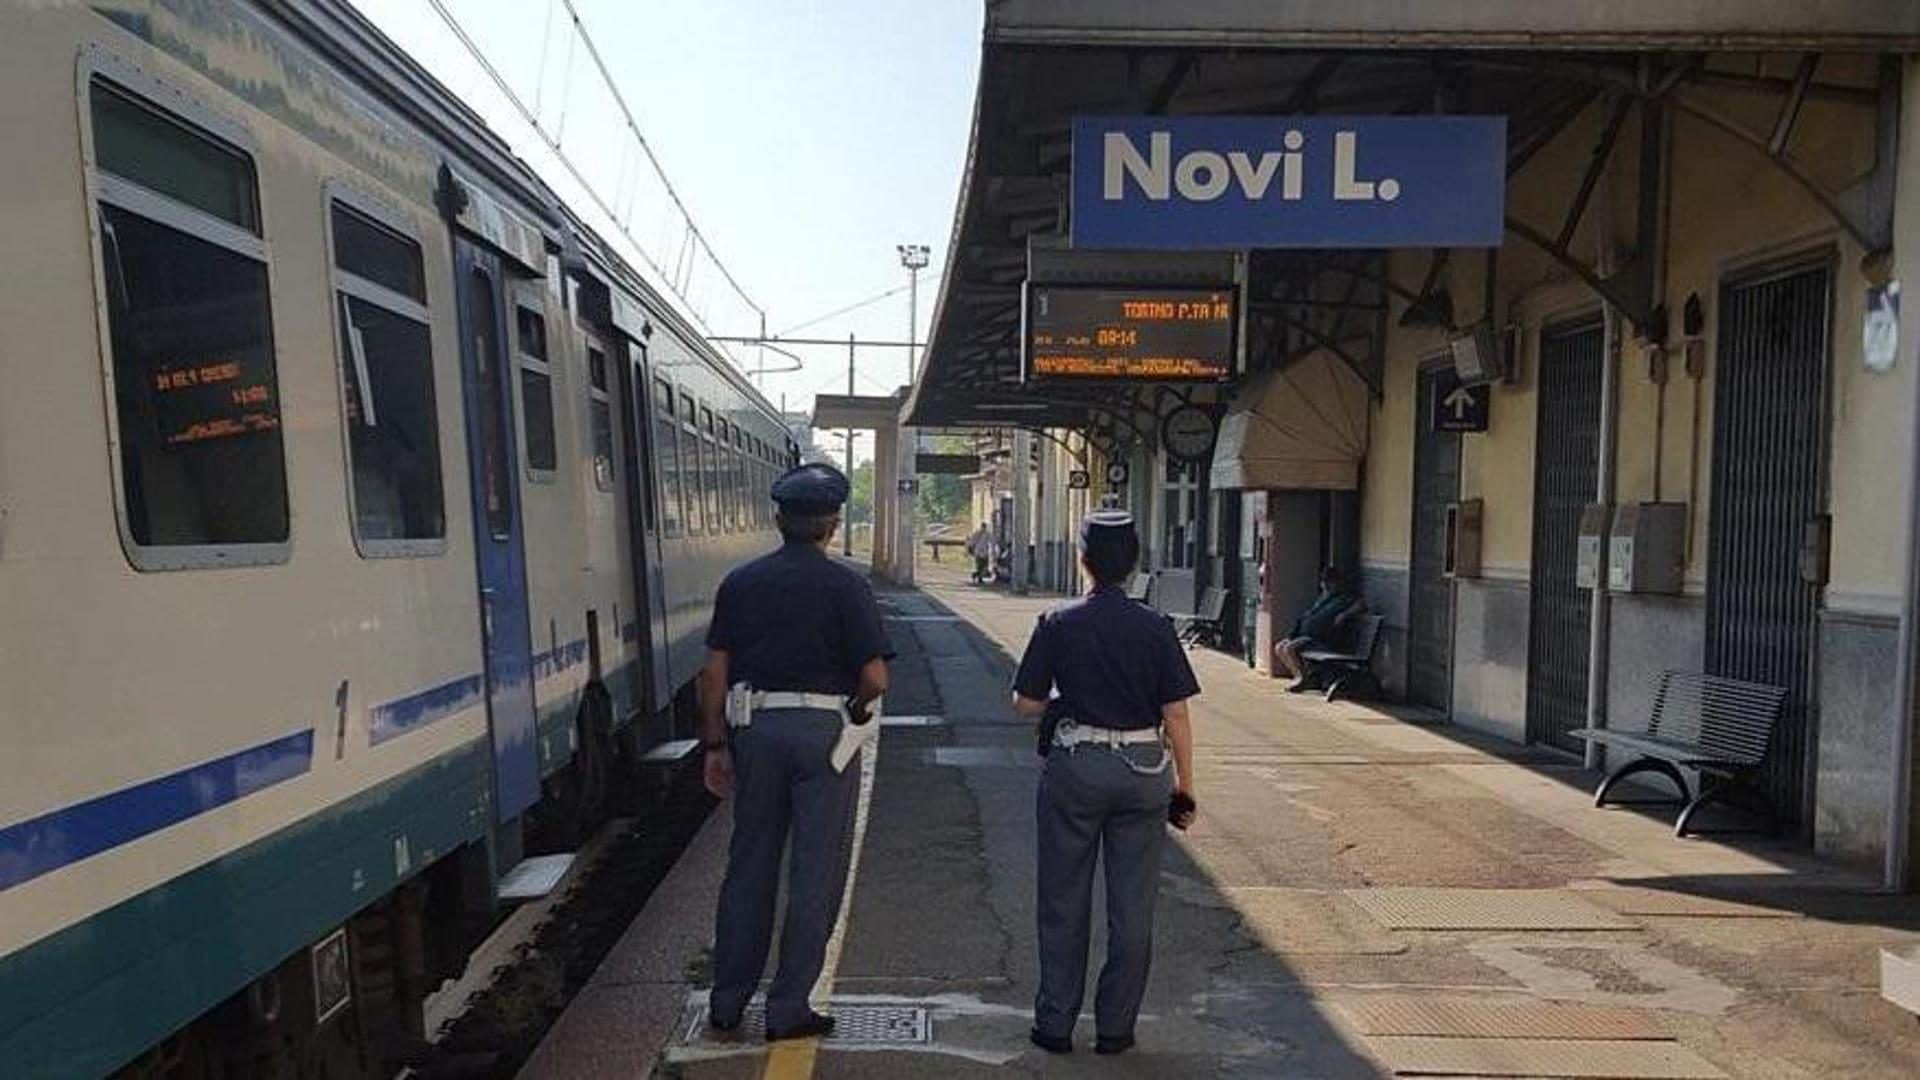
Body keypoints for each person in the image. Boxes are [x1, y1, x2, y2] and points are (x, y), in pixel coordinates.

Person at [699, 462, 893, 1041]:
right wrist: (853, 711)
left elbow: (714, 674)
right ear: (833, 524)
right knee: (815, 871)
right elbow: (876, 677)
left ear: (777, 519)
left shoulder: (741, 583)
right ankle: (788, 1010)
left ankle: (727, 1001)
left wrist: (715, 745)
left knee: (749, 865)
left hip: (754, 729)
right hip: (823, 734)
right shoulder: (847, 586)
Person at [1011, 509, 1200, 1057]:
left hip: (1077, 766)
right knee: (1133, 906)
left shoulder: (1057, 623)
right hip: (1144, 770)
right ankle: (1115, 1028)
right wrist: (1185, 785)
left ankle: (1055, 1024)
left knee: (1063, 900)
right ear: (1134, 563)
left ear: (1083, 559)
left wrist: (1061, 706)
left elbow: (1024, 703)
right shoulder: (1156, 627)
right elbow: (1178, 715)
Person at [1272, 565, 1360, 690]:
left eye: (1330, 582)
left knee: (1289, 648)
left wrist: (1345, 614)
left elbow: (1361, 605)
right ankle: (1299, 675)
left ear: (1338, 582)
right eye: (1324, 582)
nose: (1326, 585)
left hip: (1321, 638)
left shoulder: (1344, 598)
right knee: (1279, 647)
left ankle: (1303, 680)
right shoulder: (1323, 598)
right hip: (1305, 635)